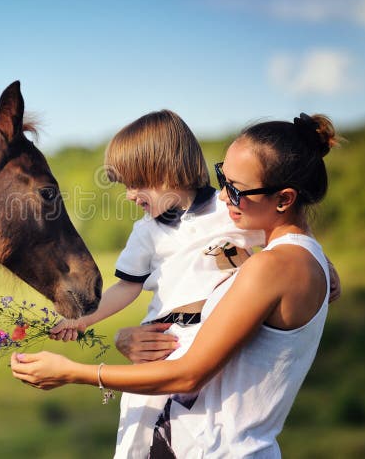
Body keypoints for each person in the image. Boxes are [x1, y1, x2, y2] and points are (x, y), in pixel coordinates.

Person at [12, 113, 340, 458]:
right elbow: (128, 287)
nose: (227, 198)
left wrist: (73, 372)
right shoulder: (155, 231)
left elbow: (190, 372)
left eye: (236, 189)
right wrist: (90, 323)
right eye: (222, 179)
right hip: (168, 397)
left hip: (204, 423)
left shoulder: (254, 240)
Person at [49, 109, 265, 458]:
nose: (130, 195)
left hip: (214, 352)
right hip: (161, 351)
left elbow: (283, 246)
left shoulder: (230, 212)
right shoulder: (146, 232)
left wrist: (320, 264)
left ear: (164, 171)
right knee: (143, 441)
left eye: (135, 184)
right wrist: (81, 319)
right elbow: (126, 288)